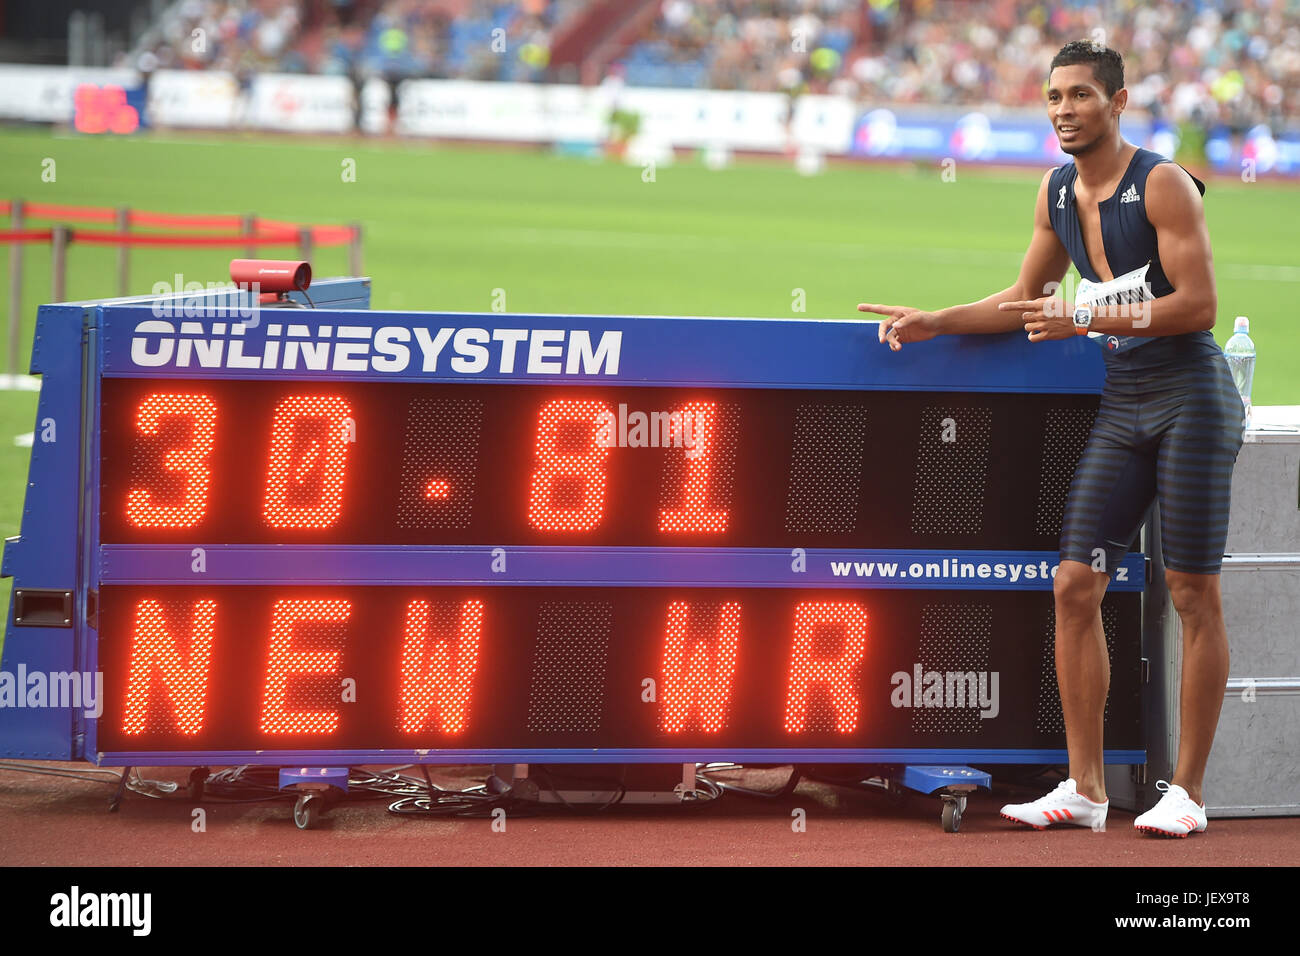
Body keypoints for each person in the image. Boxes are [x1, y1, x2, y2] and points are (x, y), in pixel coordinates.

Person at [858, 40, 1244, 838]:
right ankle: (1087, 789)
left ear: (1119, 102)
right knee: (1075, 584)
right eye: (1054, 98)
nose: (1065, 110)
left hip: (1191, 398)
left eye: (1080, 96)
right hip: (1126, 399)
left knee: (1190, 592)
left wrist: (1086, 316)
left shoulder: (1163, 184)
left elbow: (1199, 305)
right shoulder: (1057, 192)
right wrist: (937, 321)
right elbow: (1026, 297)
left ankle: (1188, 794)